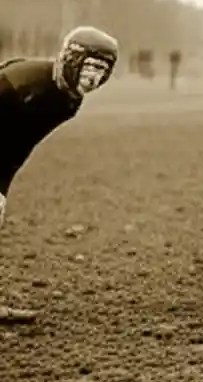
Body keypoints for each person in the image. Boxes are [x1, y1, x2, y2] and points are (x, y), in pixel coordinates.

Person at [0, 26, 118, 325]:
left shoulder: (69, 100)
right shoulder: (18, 84)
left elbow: (18, 145)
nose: (94, 78)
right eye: (90, 67)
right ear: (71, 59)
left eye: (102, 70)